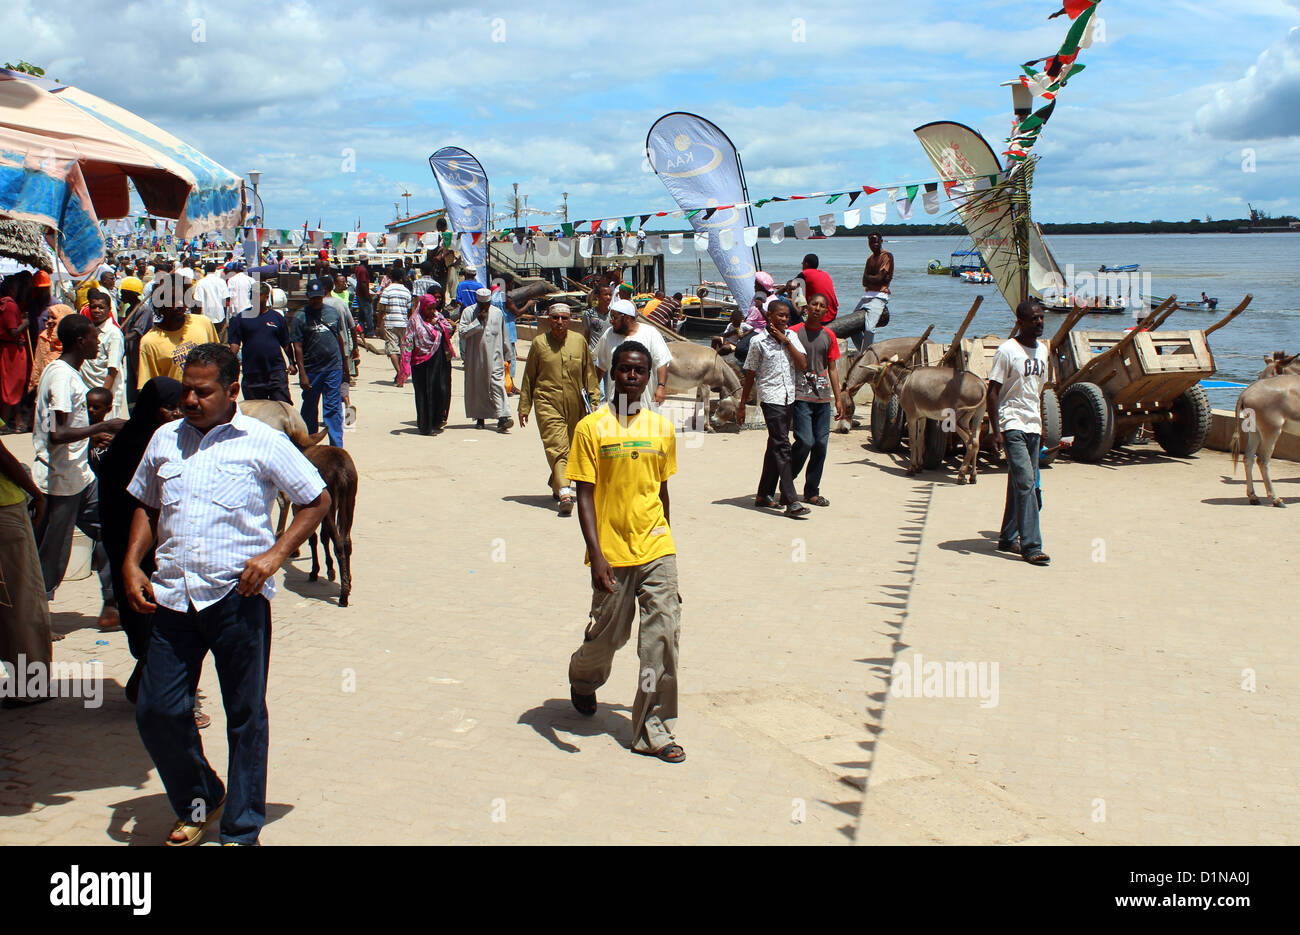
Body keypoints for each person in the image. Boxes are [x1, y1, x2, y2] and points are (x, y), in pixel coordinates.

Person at [123, 343, 329, 846]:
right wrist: (131, 562)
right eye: (185, 390)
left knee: (244, 716)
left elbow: (316, 498)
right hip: (173, 597)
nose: (189, 400)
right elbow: (147, 507)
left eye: (202, 391)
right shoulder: (164, 440)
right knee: (157, 711)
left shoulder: (263, 441)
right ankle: (201, 795)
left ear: (232, 391)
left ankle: (241, 830)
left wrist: (276, 555)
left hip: (238, 598)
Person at [565, 341, 683, 763]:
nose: (632, 376)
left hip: (656, 545)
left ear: (649, 375)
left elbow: (662, 489)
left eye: (640, 370)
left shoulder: (662, 427)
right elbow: (584, 494)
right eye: (624, 369)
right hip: (612, 551)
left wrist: (667, 538)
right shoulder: (591, 428)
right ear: (611, 374)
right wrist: (596, 554)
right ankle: (582, 678)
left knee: (662, 636)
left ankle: (653, 729)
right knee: (608, 638)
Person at [32, 314, 126, 625]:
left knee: (111, 527)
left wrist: (91, 433)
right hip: (60, 481)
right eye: (94, 337)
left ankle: (112, 603)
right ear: (80, 341)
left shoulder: (69, 373)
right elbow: (57, 434)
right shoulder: (61, 377)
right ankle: (36, 620)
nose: (99, 342)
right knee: (53, 553)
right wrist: (103, 425)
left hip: (80, 475)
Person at [96, 376, 183, 702]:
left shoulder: (157, 438)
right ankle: (162, 697)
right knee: (155, 617)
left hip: (144, 545)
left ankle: (145, 679)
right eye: (168, 407)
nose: (175, 413)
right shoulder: (139, 444)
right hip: (136, 545)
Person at [518, 303, 600, 515]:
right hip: (547, 401)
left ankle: (556, 481)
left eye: (564, 318)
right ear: (548, 319)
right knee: (557, 445)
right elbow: (529, 377)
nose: (560, 322)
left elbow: (589, 374)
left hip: (576, 403)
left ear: (570, 319)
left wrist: (594, 401)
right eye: (555, 318)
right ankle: (565, 492)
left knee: (572, 448)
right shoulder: (539, 344)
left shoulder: (579, 341)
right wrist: (524, 407)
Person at [987, 299, 1052, 566]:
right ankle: (1032, 546)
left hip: (1033, 426)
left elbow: (1039, 391)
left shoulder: (1044, 351)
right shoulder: (1007, 350)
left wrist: (1043, 424)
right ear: (1020, 322)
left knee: (1019, 483)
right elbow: (992, 391)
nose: (1039, 323)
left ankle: (1006, 537)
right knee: (1027, 483)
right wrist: (996, 429)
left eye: (1041, 318)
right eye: (1034, 319)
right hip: (1012, 423)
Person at [738, 297, 810, 517]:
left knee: (775, 445)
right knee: (782, 445)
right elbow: (750, 374)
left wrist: (785, 341)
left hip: (789, 395)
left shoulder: (792, 336)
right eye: (780, 315)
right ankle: (791, 501)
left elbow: (803, 364)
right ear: (769, 316)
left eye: (787, 316)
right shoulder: (758, 342)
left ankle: (763, 494)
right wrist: (742, 405)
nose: (784, 320)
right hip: (771, 397)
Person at [0, 418, 53, 704]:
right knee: (20, 598)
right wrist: (34, 491)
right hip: (5, 511)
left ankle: (29, 683)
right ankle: (31, 683)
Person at [789, 294, 846, 507]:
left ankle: (812, 491)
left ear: (826, 312)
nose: (817, 308)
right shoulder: (794, 333)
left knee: (821, 445)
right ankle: (787, 479)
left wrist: (838, 399)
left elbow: (832, 368)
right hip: (800, 395)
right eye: (814, 304)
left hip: (823, 398)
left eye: (822, 306)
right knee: (805, 441)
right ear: (807, 307)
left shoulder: (829, 335)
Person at [290, 280, 347, 447]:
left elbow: (339, 338)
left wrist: (344, 365)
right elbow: (297, 347)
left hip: (333, 367)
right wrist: (302, 373)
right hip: (312, 369)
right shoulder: (300, 317)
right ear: (308, 297)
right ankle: (309, 443)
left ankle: (336, 445)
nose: (316, 301)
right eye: (313, 298)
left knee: (332, 408)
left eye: (319, 298)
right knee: (309, 407)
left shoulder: (332, 313)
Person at [137, 274, 219, 387]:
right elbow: (149, 387)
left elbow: (219, 361)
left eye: (182, 298)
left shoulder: (203, 323)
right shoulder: (149, 343)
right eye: (172, 299)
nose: (179, 304)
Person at [593, 299, 672, 412]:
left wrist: (661, 387)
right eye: (611, 316)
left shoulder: (650, 333)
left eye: (615, 317)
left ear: (627, 318)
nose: (611, 321)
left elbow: (662, 363)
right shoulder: (609, 335)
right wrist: (593, 393)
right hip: (616, 403)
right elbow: (600, 366)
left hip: (646, 402)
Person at [396, 294, 455, 435]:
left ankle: (436, 421)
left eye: (434, 308)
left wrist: (437, 324)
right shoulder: (414, 321)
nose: (432, 312)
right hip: (420, 362)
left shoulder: (438, 317)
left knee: (438, 391)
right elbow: (409, 341)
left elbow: (449, 329)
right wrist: (405, 363)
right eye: (429, 309)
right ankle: (425, 426)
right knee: (423, 394)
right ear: (423, 307)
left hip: (437, 360)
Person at [228, 283, 295, 403]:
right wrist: (229, 366)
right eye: (251, 295)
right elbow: (234, 345)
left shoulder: (277, 318)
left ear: (266, 296)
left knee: (282, 407)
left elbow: (285, 343)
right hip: (252, 373)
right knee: (255, 411)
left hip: (275, 371)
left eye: (257, 295)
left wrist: (292, 362)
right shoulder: (241, 318)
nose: (253, 298)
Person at [460, 287, 513, 432]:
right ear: (477, 302)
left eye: (487, 305)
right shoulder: (468, 312)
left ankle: (503, 417)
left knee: (497, 384)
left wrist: (508, 354)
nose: (485, 308)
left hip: (495, 356)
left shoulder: (497, 313)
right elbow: (463, 333)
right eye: (481, 305)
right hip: (476, 357)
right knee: (479, 387)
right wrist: (477, 321)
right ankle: (480, 417)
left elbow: (504, 335)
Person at [80, 291, 128, 420]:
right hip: (87, 391)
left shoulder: (113, 334)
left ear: (108, 309)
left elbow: (112, 369)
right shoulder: (88, 331)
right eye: (93, 307)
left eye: (101, 307)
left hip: (104, 394)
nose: (96, 310)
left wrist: (102, 397)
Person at [850, 232, 893, 353]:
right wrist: (874, 279)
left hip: (879, 296)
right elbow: (864, 281)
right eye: (871, 242)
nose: (874, 244)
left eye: (876, 241)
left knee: (869, 329)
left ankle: (866, 357)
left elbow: (881, 278)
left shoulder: (887, 256)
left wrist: (872, 278)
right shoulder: (869, 259)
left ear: (881, 241)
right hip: (867, 296)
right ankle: (865, 353)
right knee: (852, 328)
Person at [0, 275, 30, 428]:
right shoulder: (10, 305)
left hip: (9, 348)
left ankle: (13, 420)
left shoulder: (6, 303)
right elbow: (13, 331)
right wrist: (25, 322)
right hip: (12, 351)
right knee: (11, 386)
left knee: (13, 385)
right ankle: (4, 423)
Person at [377, 269, 413, 379]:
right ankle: (401, 372)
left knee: (392, 348)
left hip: (390, 323)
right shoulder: (406, 291)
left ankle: (399, 372)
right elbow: (409, 310)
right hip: (403, 323)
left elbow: (381, 309)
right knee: (402, 349)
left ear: (391, 278)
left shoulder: (387, 290)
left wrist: (378, 325)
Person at [194, 261, 231, 341]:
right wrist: (224, 315)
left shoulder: (201, 283)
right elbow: (225, 300)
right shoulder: (221, 282)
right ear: (215, 270)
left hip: (206, 316)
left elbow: (198, 301)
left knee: (209, 340)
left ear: (205, 270)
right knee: (220, 340)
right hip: (220, 314)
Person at [797, 254, 838, 322]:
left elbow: (792, 286)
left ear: (806, 264)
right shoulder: (825, 274)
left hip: (819, 317)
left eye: (802, 263)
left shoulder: (805, 273)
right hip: (832, 314)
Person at [581, 284, 614, 359]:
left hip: (609, 355)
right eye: (605, 295)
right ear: (597, 296)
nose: (608, 298)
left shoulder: (614, 314)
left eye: (610, 295)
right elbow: (587, 335)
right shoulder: (589, 314)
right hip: (594, 356)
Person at [354, 255, 374, 336]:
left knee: (361, 314)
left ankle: (361, 330)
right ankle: (370, 331)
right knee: (369, 313)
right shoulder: (363, 270)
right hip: (363, 294)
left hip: (359, 293)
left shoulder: (358, 268)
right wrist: (367, 295)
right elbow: (363, 283)